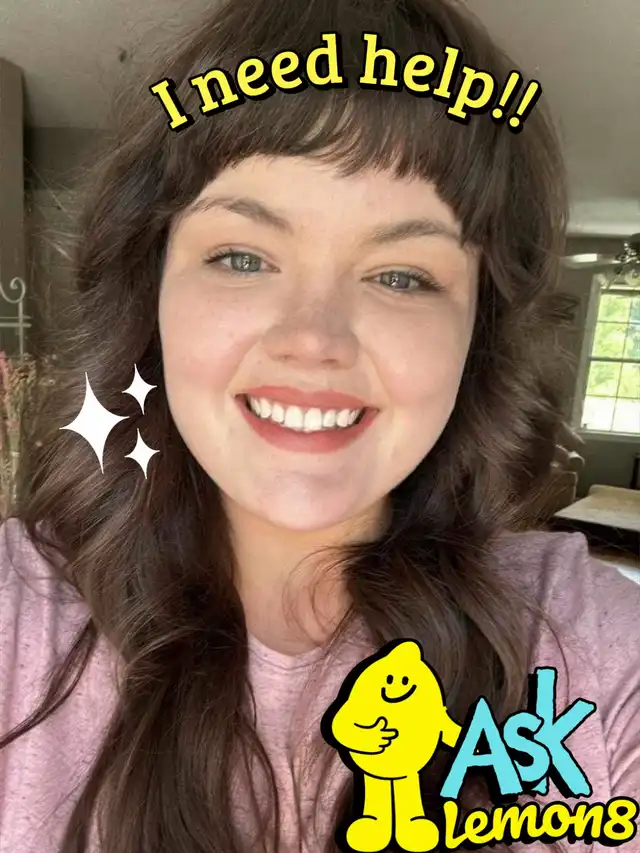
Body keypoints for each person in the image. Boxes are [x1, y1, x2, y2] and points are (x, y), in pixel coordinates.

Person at [1, 0, 639, 851]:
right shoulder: (16, 621)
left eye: (402, 275)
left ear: (477, 333)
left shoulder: (591, 645)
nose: (314, 340)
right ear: (149, 292)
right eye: (242, 257)